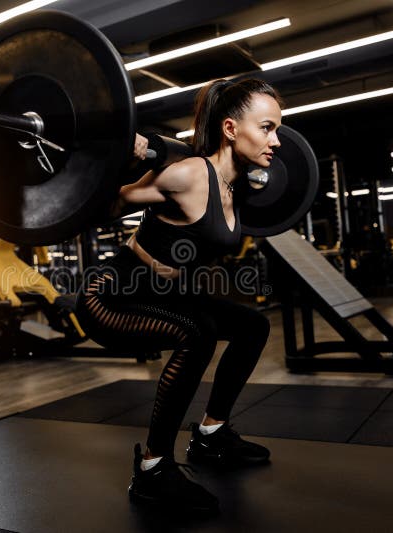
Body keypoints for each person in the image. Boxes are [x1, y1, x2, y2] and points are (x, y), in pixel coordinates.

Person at [75, 78, 283, 515]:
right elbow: (108, 202)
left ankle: (211, 436)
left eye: (276, 129)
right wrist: (130, 154)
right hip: (112, 295)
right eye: (266, 128)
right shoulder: (191, 173)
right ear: (230, 129)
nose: (276, 140)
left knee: (252, 326)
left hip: (166, 295)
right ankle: (151, 469)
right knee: (198, 336)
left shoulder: (234, 186)